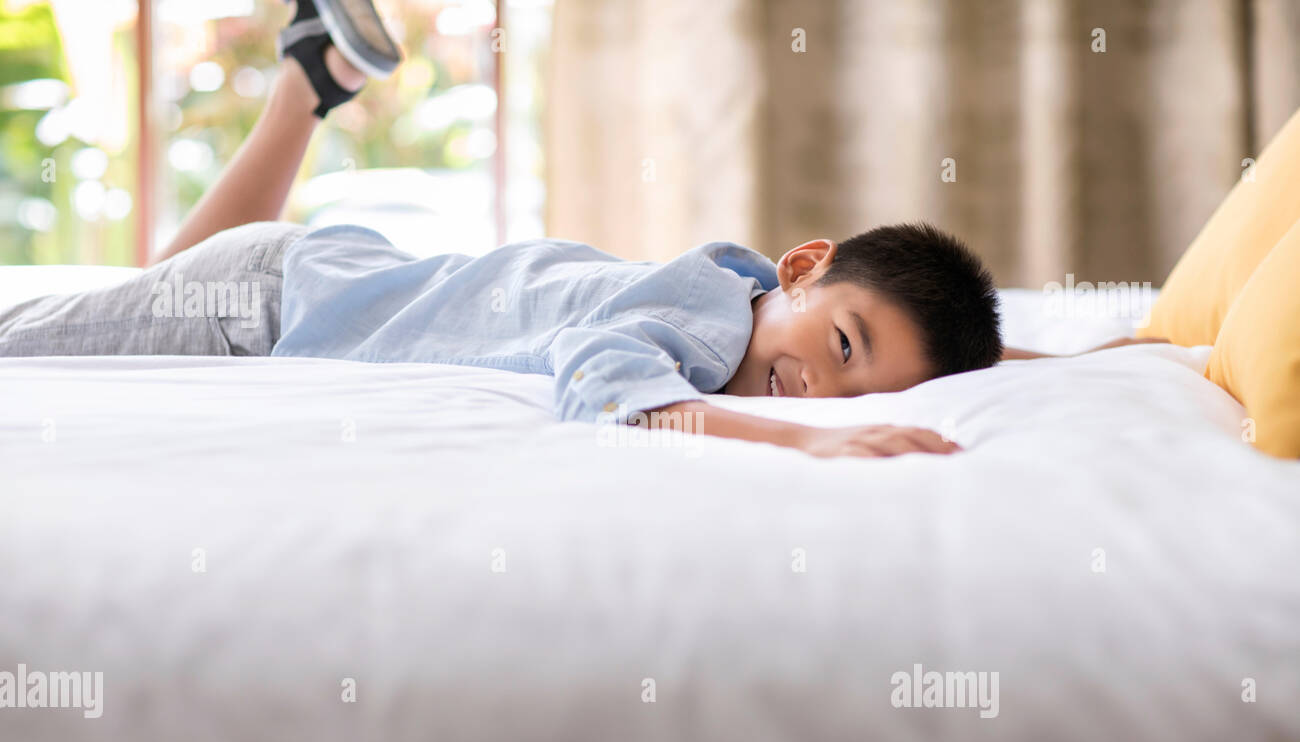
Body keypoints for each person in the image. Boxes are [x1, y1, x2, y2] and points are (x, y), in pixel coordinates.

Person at [0, 0, 1159, 459]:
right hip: (280, 302)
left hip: (313, 277)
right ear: (800, 267)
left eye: (858, 397)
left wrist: (1064, 351)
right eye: (839, 348)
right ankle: (304, 80)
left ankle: (310, 78)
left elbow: (907, 328)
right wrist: (810, 447)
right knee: (29, 340)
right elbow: (605, 385)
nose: (820, 388)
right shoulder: (705, 321)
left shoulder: (754, 294)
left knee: (157, 286)